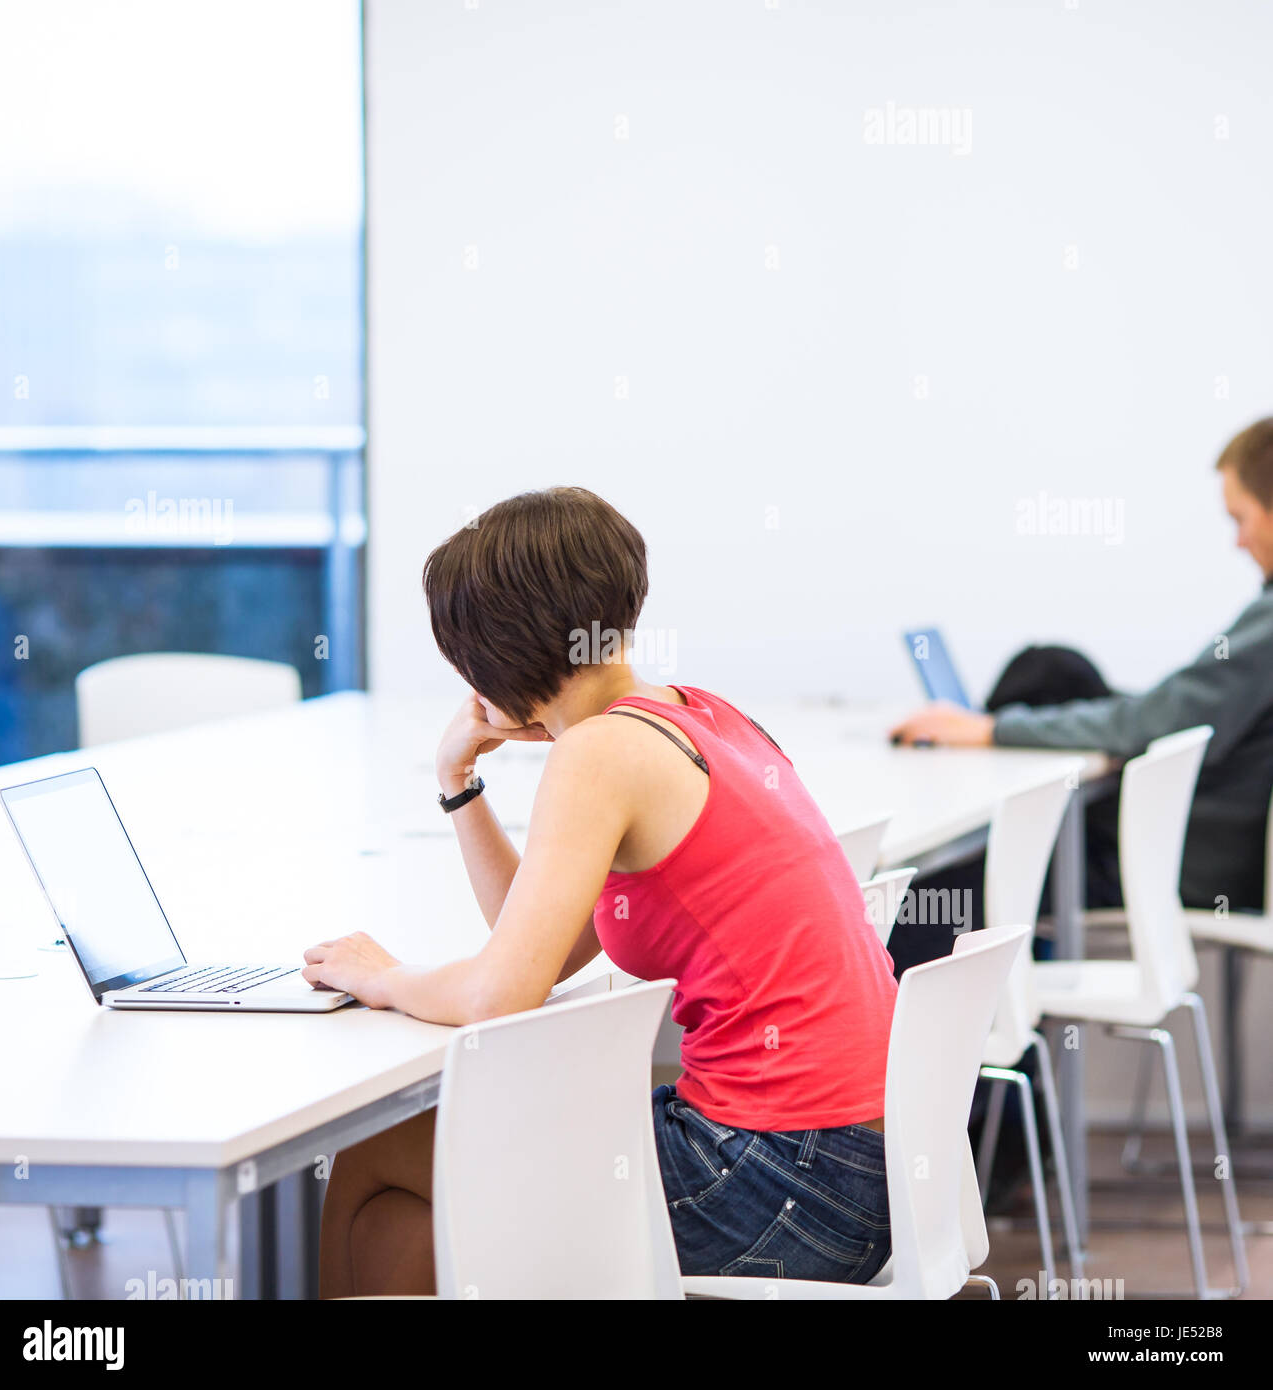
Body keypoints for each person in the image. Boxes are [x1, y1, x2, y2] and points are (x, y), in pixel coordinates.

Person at [304, 487, 898, 1297]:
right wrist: (460, 782)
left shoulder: (598, 754)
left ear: (492, 656)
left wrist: (380, 976)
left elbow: (501, 993)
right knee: (401, 1222)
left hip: (778, 1181)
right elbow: (539, 949)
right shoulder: (697, 715)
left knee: (377, 1152)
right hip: (863, 1170)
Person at [890, 416, 1273, 954]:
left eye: (1240, 518)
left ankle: (1012, 1035)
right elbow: (1175, 708)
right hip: (1174, 847)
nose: (1237, 541)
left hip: (1165, 864)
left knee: (929, 899)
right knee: (1054, 669)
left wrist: (995, 730)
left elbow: (1156, 721)